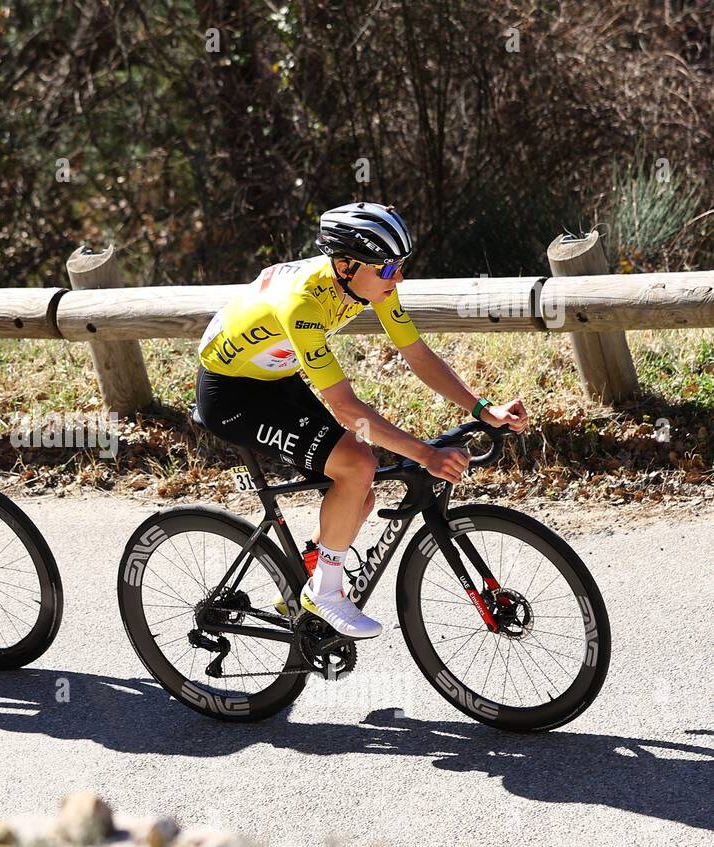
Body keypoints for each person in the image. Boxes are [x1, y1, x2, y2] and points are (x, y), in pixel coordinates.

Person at [196, 201, 528, 638]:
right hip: (232, 394)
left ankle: (307, 581)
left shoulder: (369, 284)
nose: (399, 278)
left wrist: (482, 408)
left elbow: (417, 355)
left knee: (359, 492)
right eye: (388, 270)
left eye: (400, 267)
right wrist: (425, 454)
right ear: (346, 266)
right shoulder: (303, 305)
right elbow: (348, 409)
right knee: (357, 464)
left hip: (275, 377)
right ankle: (325, 595)